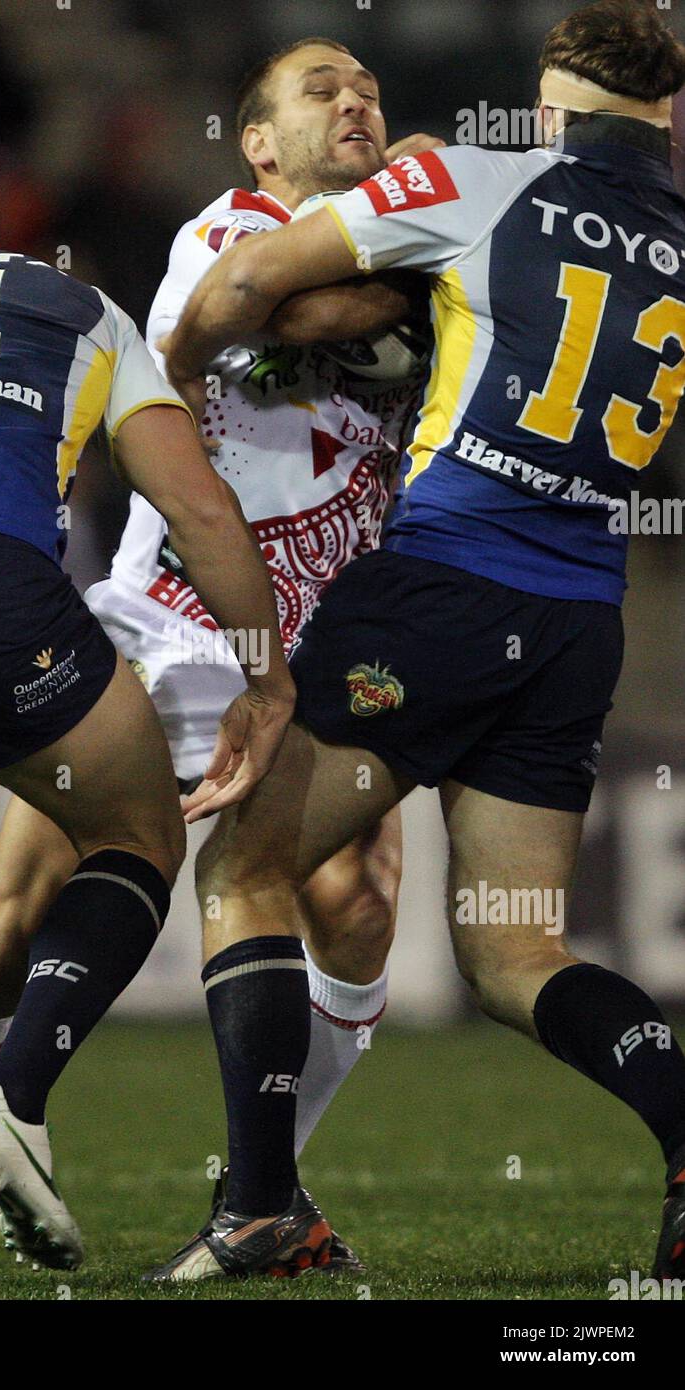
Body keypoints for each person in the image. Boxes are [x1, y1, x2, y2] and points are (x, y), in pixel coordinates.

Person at [0, 38, 437, 1277]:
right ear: (259, 143)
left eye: (371, 92)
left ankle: (260, 1190)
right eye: (320, 90)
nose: (357, 102)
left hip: (324, 630)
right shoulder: (222, 233)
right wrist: (418, 285)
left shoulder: (425, 250)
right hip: (178, 620)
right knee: (14, 919)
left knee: (359, 904)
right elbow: (261, 320)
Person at [148, 0, 685, 1281]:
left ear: (547, 108)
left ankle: (262, 1205)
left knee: (244, 868)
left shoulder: (481, 177)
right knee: (515, 953)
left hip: (441, 593)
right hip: (576, 621)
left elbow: (241, 284)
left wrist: (170, 391)